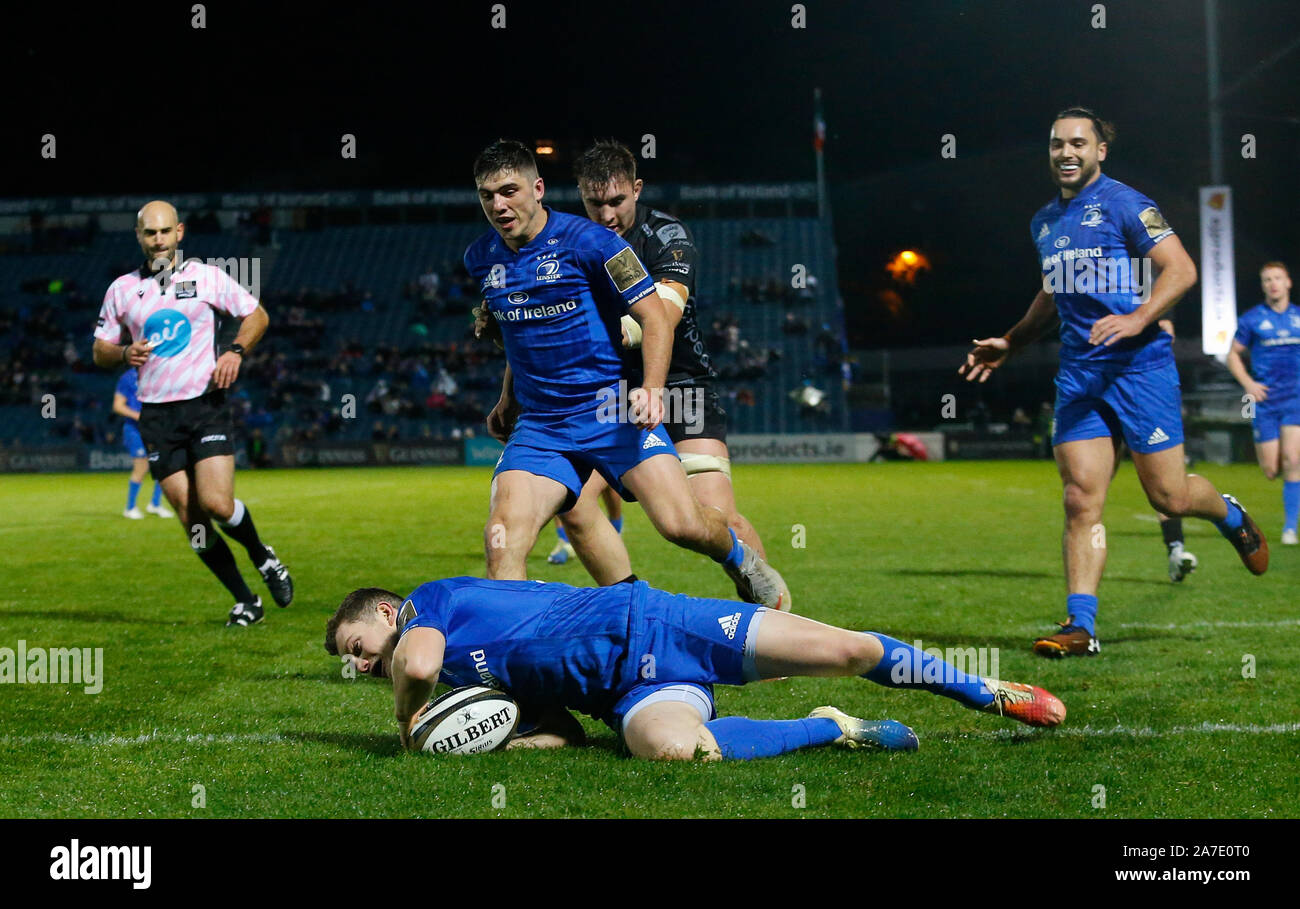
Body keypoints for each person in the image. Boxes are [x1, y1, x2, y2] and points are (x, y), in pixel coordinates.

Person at [960, 107, 1267, 658]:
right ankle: (1081, 626)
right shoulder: (1044, 222)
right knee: (1080, 499)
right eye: (1057, 144)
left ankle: (1228, 512)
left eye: (1078, 143)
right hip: (1081, 375)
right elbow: (1053, 294)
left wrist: (1138, 318)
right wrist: (1012, 341)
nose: (1066, 153)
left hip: (1140, 369)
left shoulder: (1127, 204)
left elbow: (1181, 269)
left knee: (1169, 497)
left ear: (1101, 150)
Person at [465, 140, 788, 610]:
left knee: (687, 524)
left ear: (537, 188)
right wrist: (507, 398)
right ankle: (572, 637)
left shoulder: (608, 242)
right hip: (545, 423)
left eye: (508, 191)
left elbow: (659, 316)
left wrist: (652, 391)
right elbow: (524, 331)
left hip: (643, 397)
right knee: (505, 540)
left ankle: (746, 567)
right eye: (486, 195)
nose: (498, 205)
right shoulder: (481, 257)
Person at [325, 578, 1066, 760]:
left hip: (660, 622)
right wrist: (497, 739)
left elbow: (414, 662)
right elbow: (562, 735)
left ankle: (987, 691)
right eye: (352, 662)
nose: (360, 664)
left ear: (386, 612)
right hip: (630, 691)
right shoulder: (460, 683)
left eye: (357, 646)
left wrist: (405, 723)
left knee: (851, 650)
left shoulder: (431, 610)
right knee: (677, 750)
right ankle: (831, 726)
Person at [91, 200, 294, 627]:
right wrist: (124, 350)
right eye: (150, 233)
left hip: (205, 406)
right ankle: (246, 601)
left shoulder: (207, 277)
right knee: (192, 521)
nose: (159, 240)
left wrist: (236, 351)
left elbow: (257, 315)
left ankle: (263, 557)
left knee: (217, 504)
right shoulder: (122, 290)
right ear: (139, 236)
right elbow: (99, 350)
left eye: (166, 231)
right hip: (157, 418)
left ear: (180, 232)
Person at [1226, 262, 1300, 544]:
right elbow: (1232, 354)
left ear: (1288, 282)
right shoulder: (1252, 319)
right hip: (1263, 400)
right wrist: (1248, 384)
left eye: (1278, 278)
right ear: (1263, 285)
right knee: (1271, 470)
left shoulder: (1298, 317)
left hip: (1295, 396)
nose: (1273, 284)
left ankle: (1290, 528)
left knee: (1293, 459)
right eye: (1267, 279)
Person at [112, 366, 172, 519]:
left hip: (157, 428)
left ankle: (155, 504)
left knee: (162, 465)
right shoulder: (129, 377)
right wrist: (138, 416)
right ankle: (130, 507)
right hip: (135, 429)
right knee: (142, 468)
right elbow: (118, 406)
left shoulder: (159, 371)